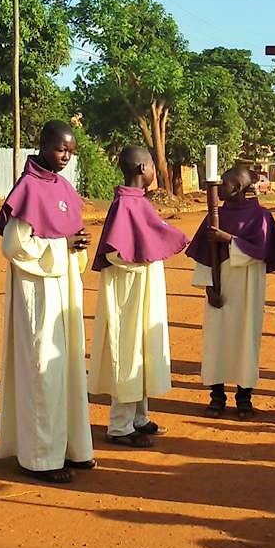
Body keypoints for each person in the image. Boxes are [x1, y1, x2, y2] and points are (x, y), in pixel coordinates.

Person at [0, 120, 95, 484]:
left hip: (64, 286)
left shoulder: (64, 186)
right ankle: (40, 457)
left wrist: (76, 244)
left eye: (71, 151)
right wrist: (61, 246)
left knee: (65, 368)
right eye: (61, 149)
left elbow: (67, 233)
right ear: (43, 145)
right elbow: (14, 245)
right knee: (42, 371)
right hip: (37, 291)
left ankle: (72, 448)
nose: (66, 156)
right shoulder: (29, 187)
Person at [88, 146, 189, 448]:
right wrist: (141, 256)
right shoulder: (124, 204)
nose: (157, 171)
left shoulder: (138, 202)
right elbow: (114, 252)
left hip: (144, 284)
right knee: (128, 351)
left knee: (143, 348)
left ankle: (139, 418)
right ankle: (119, 426)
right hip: (128, 289)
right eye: (154, 167)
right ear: (143, 168)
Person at [186, 165, 275, 420]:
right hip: (220, 290)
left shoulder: (261, 216)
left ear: (239, 188)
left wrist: (228, 239)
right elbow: (202, 257)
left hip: (248, 287)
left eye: (226, 184)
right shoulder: (213, 215)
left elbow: (260, 253)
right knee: (216, 341)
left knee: (245, 340)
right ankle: (217, 397)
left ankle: (244, 398)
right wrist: (208, 287)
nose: (219, 187)